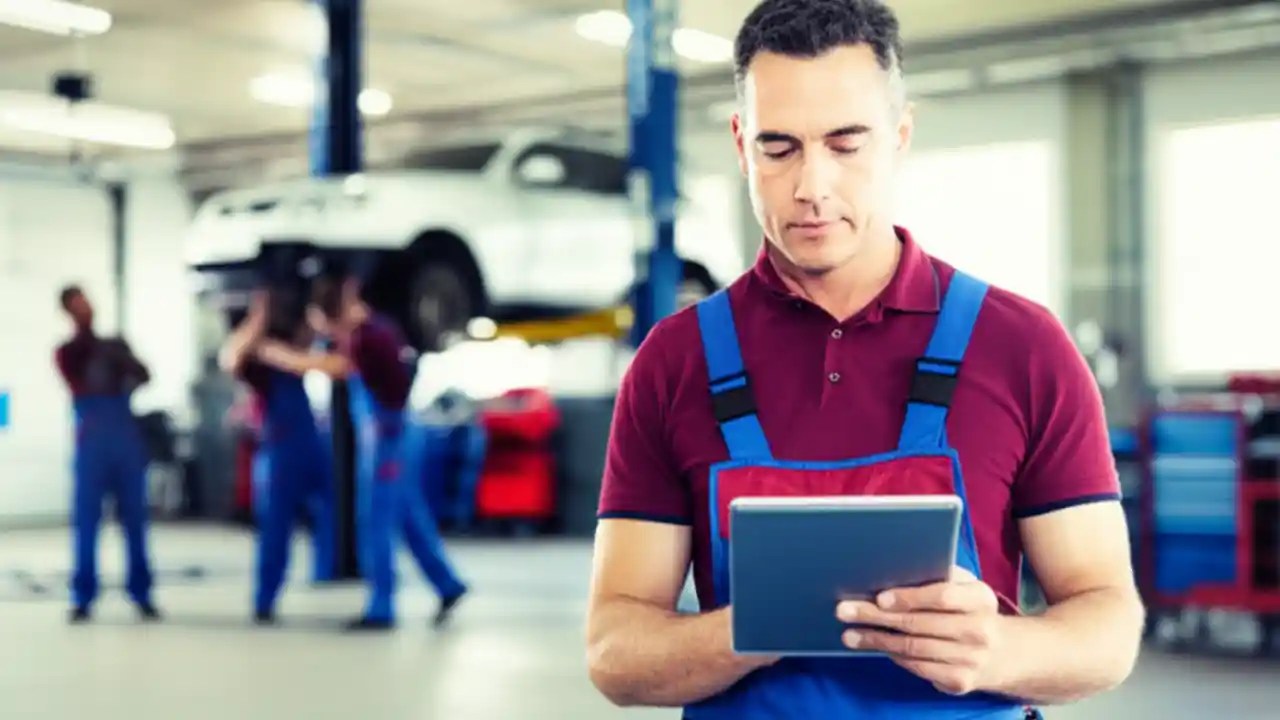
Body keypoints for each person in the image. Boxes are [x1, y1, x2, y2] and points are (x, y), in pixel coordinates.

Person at [585, 1, 1145, 718]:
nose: (812, 188)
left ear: (900, 136)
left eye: (846, 144)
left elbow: (1107, 624)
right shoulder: (674, 362)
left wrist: (999, 652)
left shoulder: (1023, 347)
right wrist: (757, 627)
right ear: (739, 142)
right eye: (778, 147)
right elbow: (614, 652)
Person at [310, 275, 468, 630]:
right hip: (394, 436)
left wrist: (279, 354)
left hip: (388, 438)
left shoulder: (367, 339)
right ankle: (447, 583)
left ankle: (382, 606)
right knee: (409, 518)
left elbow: (337, 367)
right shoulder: (375, 332)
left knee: (376, 521)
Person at [220, 290, 341, 624]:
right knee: (275, 529)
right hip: (279, 450)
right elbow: (230, 357)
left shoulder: (295, 354)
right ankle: (265, 600)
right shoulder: (258, 359)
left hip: (308, 445)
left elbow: (318, 340)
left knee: (335, 510)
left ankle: (327, 571)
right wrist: (261, 311)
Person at [54, 285, 160, 623]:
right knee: (87, 522)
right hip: (92, 439)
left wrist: (118, 356)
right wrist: (110, 358)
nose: (86, 308)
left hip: (124, 436)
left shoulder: (115, 345)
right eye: (77, 304)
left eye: (87, 301)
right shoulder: (68, 351)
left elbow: (143, 374)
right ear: (68, 311)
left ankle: (142, 593)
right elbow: (81, 383)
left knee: (135, 520)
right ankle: (83, 596)